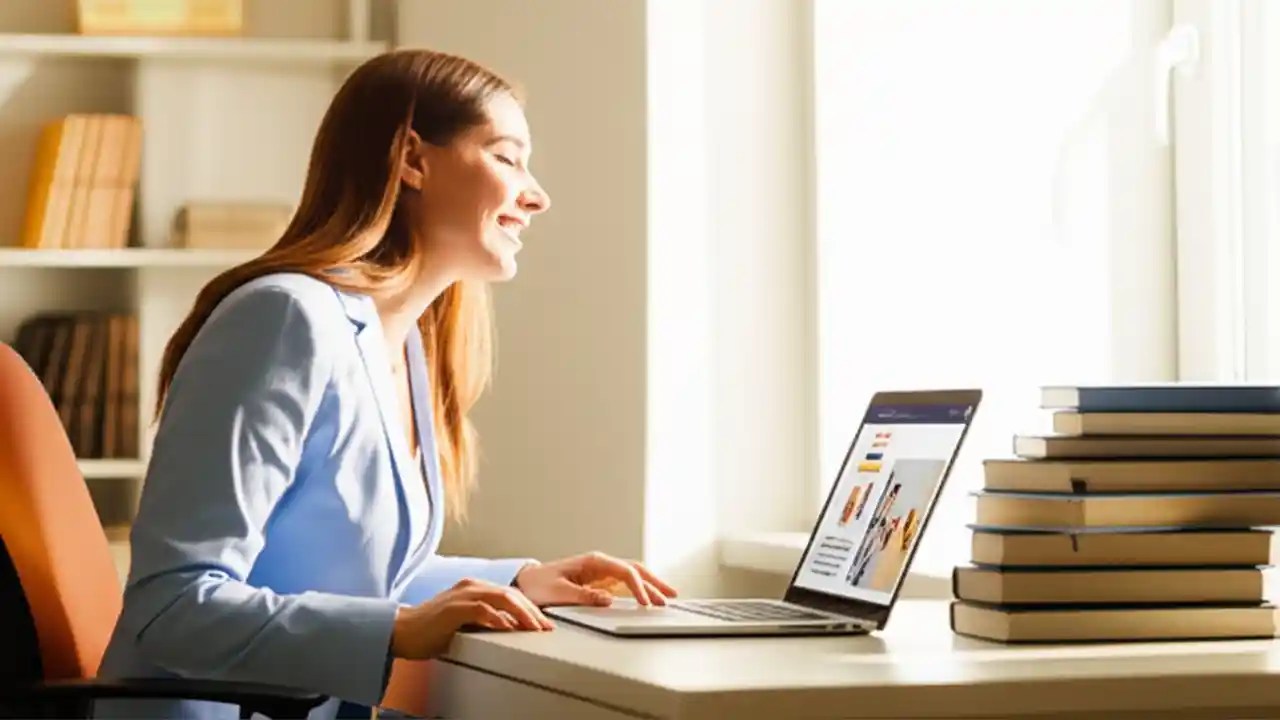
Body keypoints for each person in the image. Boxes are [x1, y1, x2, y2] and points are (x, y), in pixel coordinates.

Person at [95, 48, 677, 720]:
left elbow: (344, 570)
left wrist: (520, 579)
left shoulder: (401, 344)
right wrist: (397, 630)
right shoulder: (284, 318)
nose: (536, 195)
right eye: (507, 158)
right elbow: (172, 606)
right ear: (412, 159)